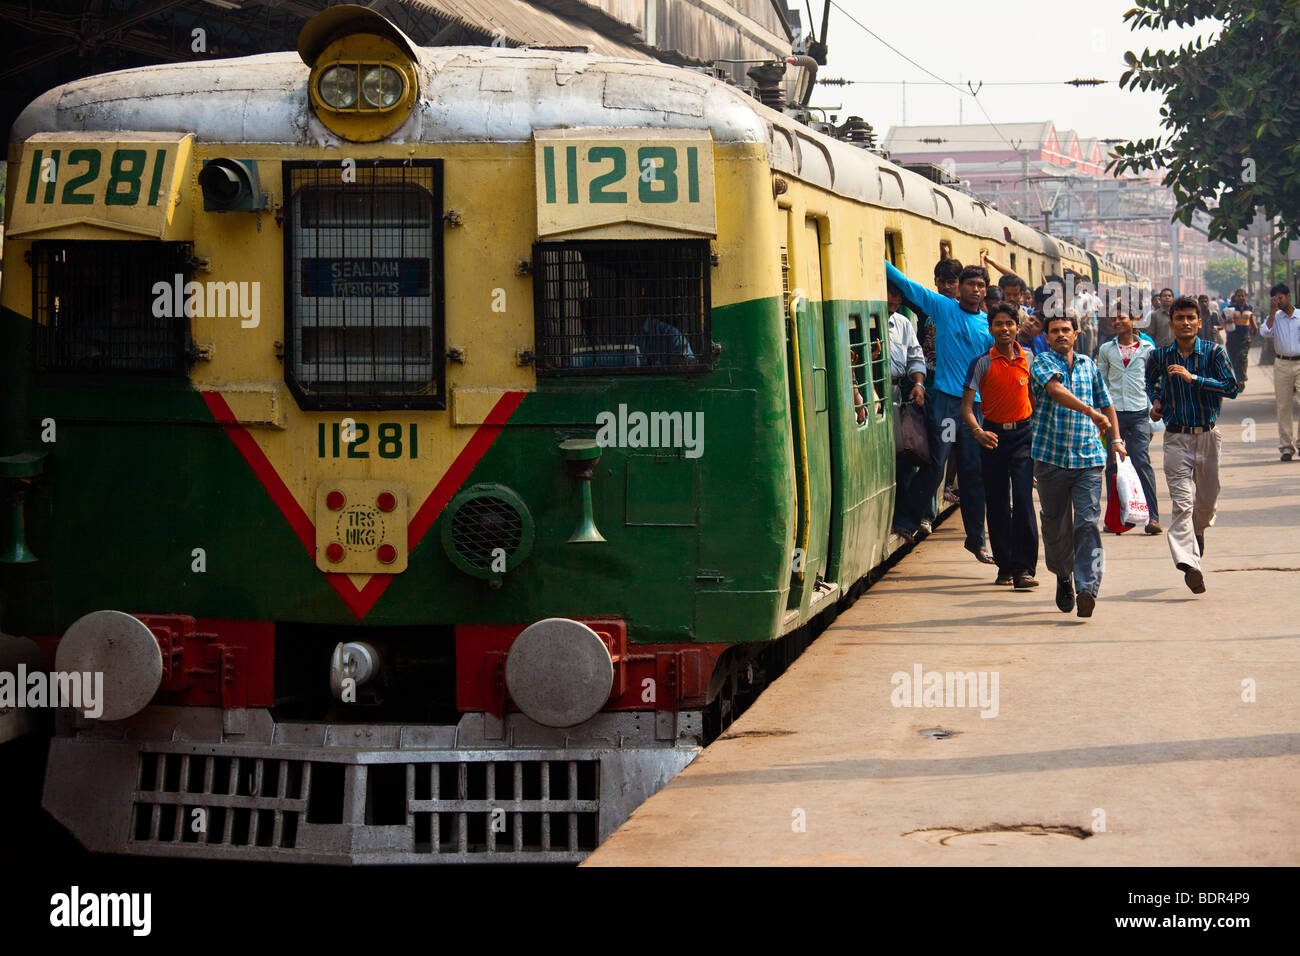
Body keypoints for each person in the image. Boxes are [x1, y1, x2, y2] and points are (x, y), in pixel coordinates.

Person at [886, 260, 995, 563]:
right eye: (971, 284)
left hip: (973, 409)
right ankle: (907, 520)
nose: (976, 290)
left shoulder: (989, 325)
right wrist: (880, 259)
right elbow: (909, 287)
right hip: (947, 405)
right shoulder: (944, 308)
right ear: (960, 288)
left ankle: (977, 539)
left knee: (973, 473)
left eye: (981, 286)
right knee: (936, 462)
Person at [1029, 311, 1125, 618]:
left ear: (1076, 333)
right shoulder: (1042, 363)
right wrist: (1090, 412)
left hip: (1088, 458)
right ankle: (1063, 575)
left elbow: (1106, 402)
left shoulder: (1089, 365)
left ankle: (1087, 587)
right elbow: (1056, 391)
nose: (1060, 334)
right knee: (1056, 525)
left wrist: (1117, 440)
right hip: (1051, 458)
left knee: (1086, 523)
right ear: (1046, 336)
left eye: (1065, 330)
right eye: (1054, 330)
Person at [1146, 296, 1241, 593]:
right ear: (1171, 322)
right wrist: (1157, 401)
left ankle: (1198, 533)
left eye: (1191, 318)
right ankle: (1189, 564)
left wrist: (1194, 379)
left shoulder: (1213, 353)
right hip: (1176, 438)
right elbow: (1151, 382)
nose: (1185, 323)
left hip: (1208, 436)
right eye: (1180, 318)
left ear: (1200, 322)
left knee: (1206, 503)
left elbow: (1231, 387)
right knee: (1182, 504)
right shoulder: (1161, 356)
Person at [961, 302, 1039, 589]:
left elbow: (1035, 398)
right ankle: (1004, 567)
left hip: (1023, 436)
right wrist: (978, 432)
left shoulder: (1029, 359)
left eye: (1010, 323)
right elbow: (967, 408)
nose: (1005, 329)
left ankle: (1025, 569)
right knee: (995, 502)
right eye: (998, 324)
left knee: (1022, 500)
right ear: (990, 328)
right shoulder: (981, 362)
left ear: (1017, 327)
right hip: (992, 437)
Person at [1096, 306, 1163, 534]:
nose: (1116, 322)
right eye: (1113, 319)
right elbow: (1102, 383)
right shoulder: (1106, 349)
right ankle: (1116, 517)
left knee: (1141, 460)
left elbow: (1153, 382)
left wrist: (1153, 421)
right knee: (1113, 465)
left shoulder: (1147, 348)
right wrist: (1101, 419)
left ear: (1133, 320)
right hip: (1113, 414)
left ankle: (1152, 517)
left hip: (1138, 413)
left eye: (1121, 318)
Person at [1259, 282, 1300, 461]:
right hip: (1282, 363)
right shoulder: (1275, 318)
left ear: (1288, 296)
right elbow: (1265, 331)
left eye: (1280, 298)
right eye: (1274, 299)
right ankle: (1286, 447)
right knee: (1283, 405)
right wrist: (1272, 312)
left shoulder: (1299, 316)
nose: (1278, 301)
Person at [1222, 287, 1256, 387]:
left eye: (1243, 296)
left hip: (1244, 337)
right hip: (1233, 337)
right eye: (1239, 296)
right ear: (1235, 297)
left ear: (1245, 297)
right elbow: (1222, 322)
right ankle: (1237, 378)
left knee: (1242, 357)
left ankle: (1242, 379)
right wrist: (1227, 321)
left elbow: (1251, 320)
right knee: (1233, 359)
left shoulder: (1249, 308)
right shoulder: (1229, 309)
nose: (1241, 298)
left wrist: (1254, 328)